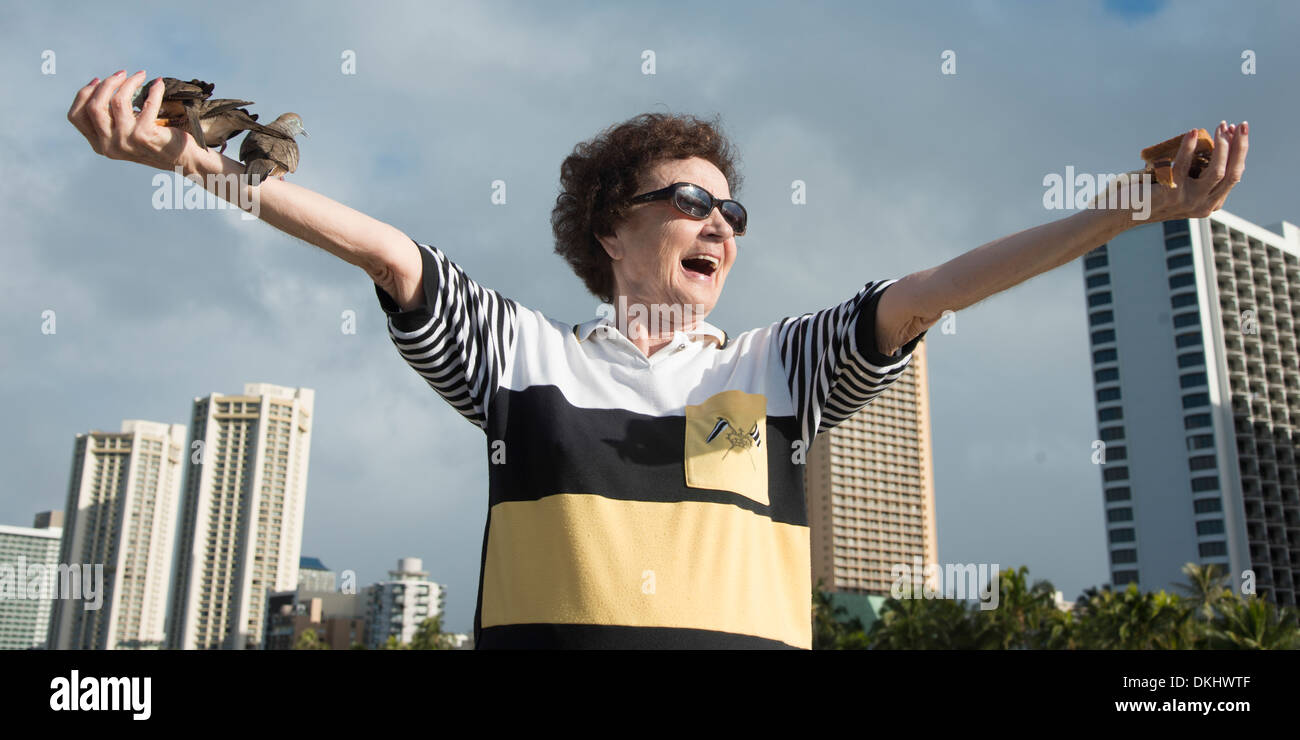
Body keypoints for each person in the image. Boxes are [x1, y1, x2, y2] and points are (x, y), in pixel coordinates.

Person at [69, 70, 1250, 649]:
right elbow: (386, 250)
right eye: (685, 200)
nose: (718, 223)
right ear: (609, 228)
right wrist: (195, 164)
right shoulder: (521, 359)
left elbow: (940, 286)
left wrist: (1125, 209)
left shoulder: (777, 372)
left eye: (732, 210)